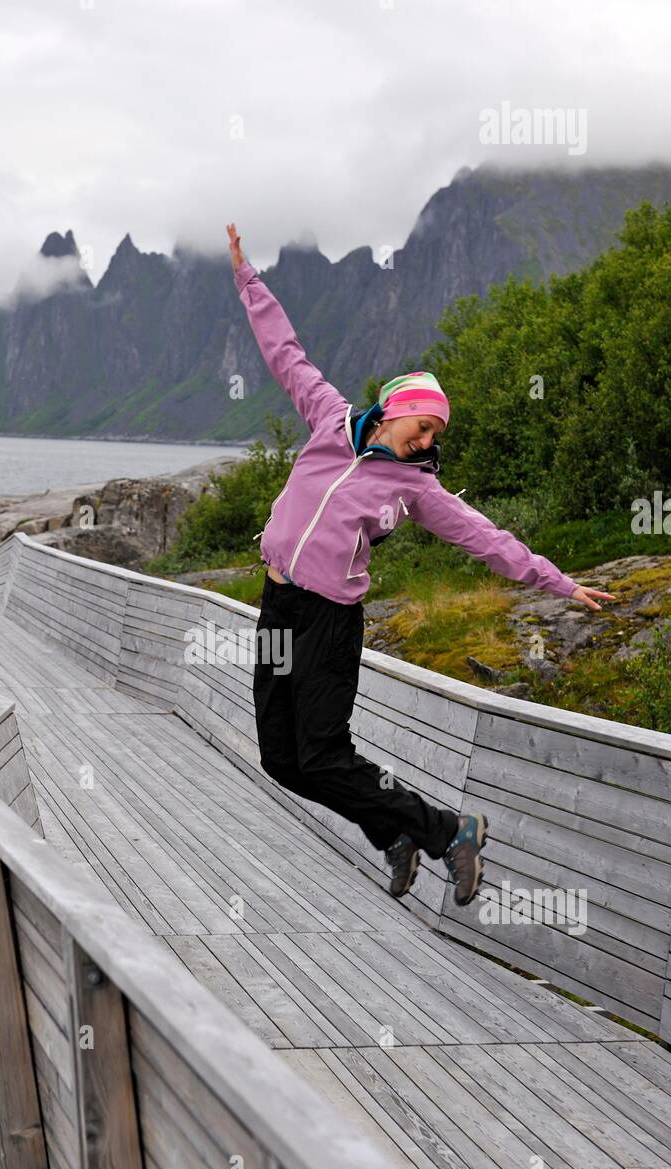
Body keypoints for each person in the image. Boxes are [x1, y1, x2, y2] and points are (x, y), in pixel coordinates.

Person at [226, 223, 616, 907]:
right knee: (281, 761)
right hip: (278, 602)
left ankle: (447, 832)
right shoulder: (327, 417)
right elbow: (283, 352)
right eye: (424, 424)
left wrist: (555, 579)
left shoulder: (415, 487)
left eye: (437, 433)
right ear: (394, 411)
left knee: (322, 754)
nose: (429, 438)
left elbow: (485, 538)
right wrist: (246, 276)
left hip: (328, 620)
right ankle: (393, 835)